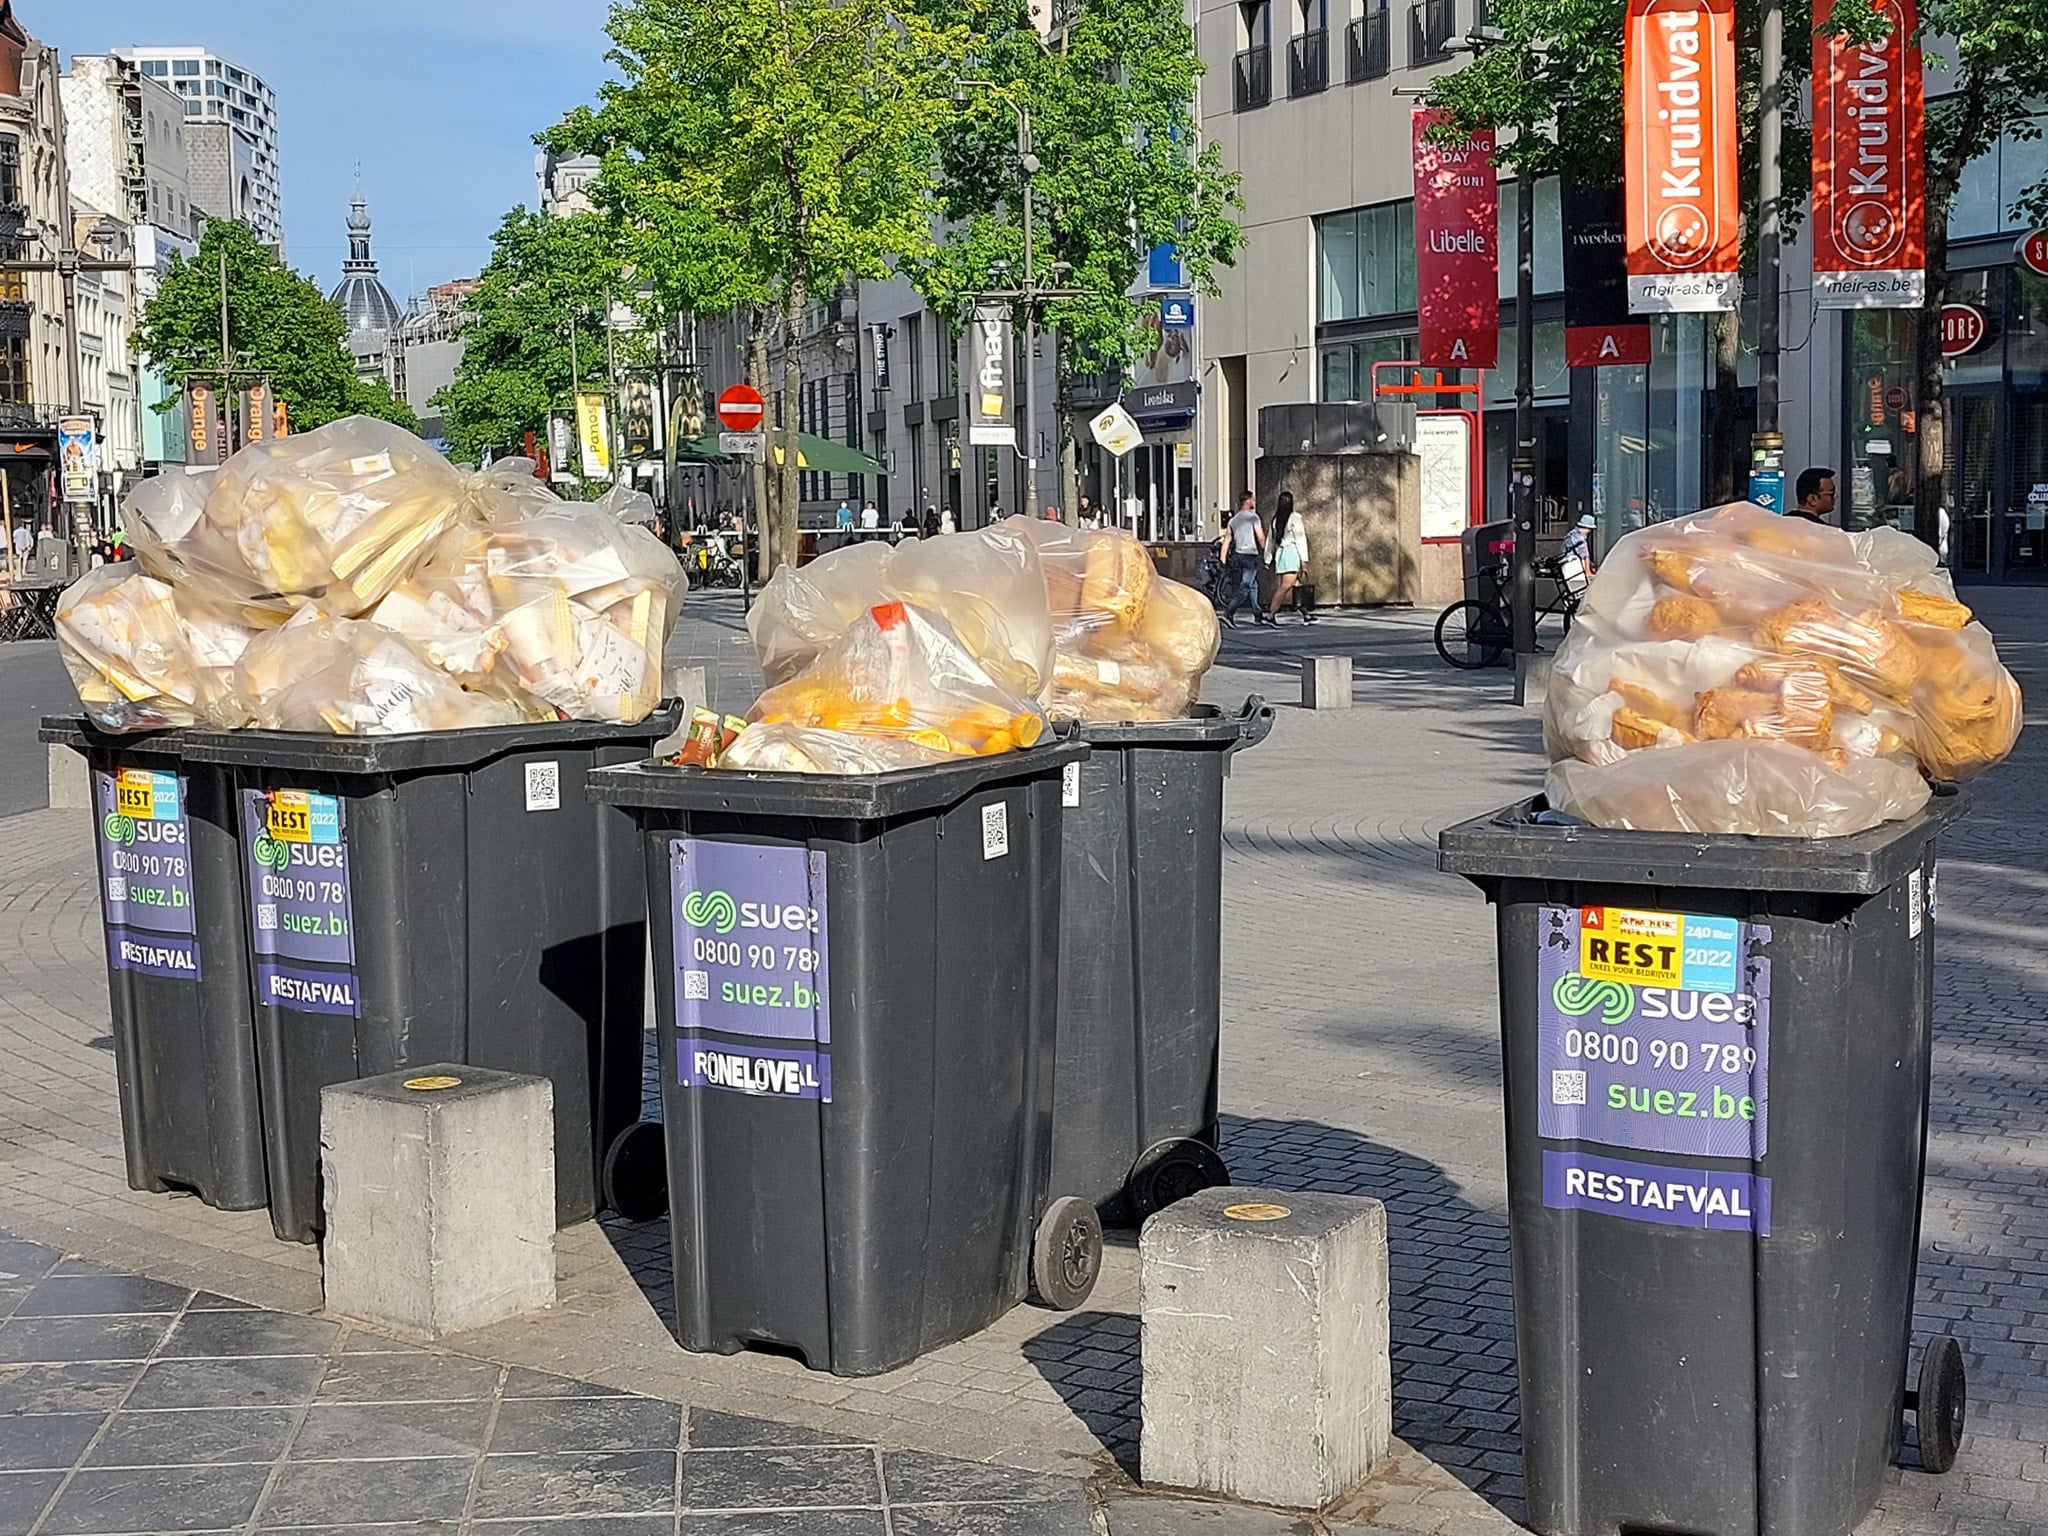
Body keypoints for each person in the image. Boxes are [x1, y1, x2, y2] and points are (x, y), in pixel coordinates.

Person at [1262, 491, 1315, 626]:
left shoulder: (1276, 520)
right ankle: (1270, 615)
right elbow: (1300, 538)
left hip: (1281, 553)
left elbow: (1271, 540)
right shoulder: (1295, 518)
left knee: (1296, 584)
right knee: (1285, 586)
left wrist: (1268, 558)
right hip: (1291, 552)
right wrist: (1304, 559)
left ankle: (1305, 614)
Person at [1216, 492, 1266, 628]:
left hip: (1238, 554)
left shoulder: (1234, 520)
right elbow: (1260, 537)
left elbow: (1227, 540)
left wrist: (1223, 558)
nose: (1255, 502)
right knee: (1245, 587)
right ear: (1248, 501)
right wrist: (1266, 551)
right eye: (1253, 499)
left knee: (1253, 585)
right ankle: (1229, 612)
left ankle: (1257, 614)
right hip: (1250, 554)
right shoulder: (1253, 518)